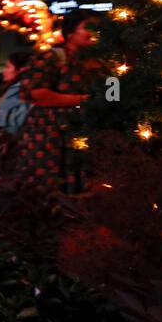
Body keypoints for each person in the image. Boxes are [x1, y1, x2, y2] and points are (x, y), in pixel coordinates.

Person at [14, 12, 99, 191]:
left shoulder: (101, 63)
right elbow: (38, 94)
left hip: (84, 132)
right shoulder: (53, 57)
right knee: (49, 187)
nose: (95, 32)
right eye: (87, 27)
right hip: (50, 133)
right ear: (70, 33)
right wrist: (82, 100)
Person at [0, 51, 33, 136]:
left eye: (8, 67)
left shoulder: (19, 91)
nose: (4, 71)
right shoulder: (12, 89)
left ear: (22, 70)